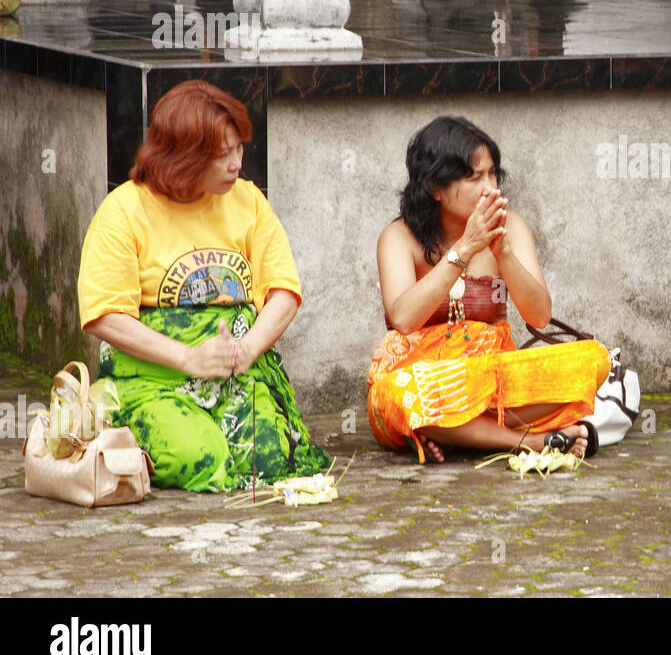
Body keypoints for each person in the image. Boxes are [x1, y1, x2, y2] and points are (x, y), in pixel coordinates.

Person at [77, 80, 330, 491]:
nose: (235, 164)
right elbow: (103, 315)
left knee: (266, 458)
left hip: (235, 374)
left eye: (238, 149)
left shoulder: (247, 200)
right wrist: (189, 358)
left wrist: (247, 350)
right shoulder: (124, 210)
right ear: (182, 158)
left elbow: (283, 290)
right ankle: (128, 423)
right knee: (199, 456)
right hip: (152, 381)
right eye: (220, 155)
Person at [368, 117, 611, 463]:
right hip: (421, 381)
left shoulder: (511, 226)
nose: (489, 188)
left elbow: (539, 315)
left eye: (492, 174)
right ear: (435, 187)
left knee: (593, 359)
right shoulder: (398, 237)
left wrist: (504, 254)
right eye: (474, 177)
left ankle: (455, 433)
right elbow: (403, 318)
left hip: (492, 380)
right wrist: (465, 249)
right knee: (400, 394)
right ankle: (532, 441)